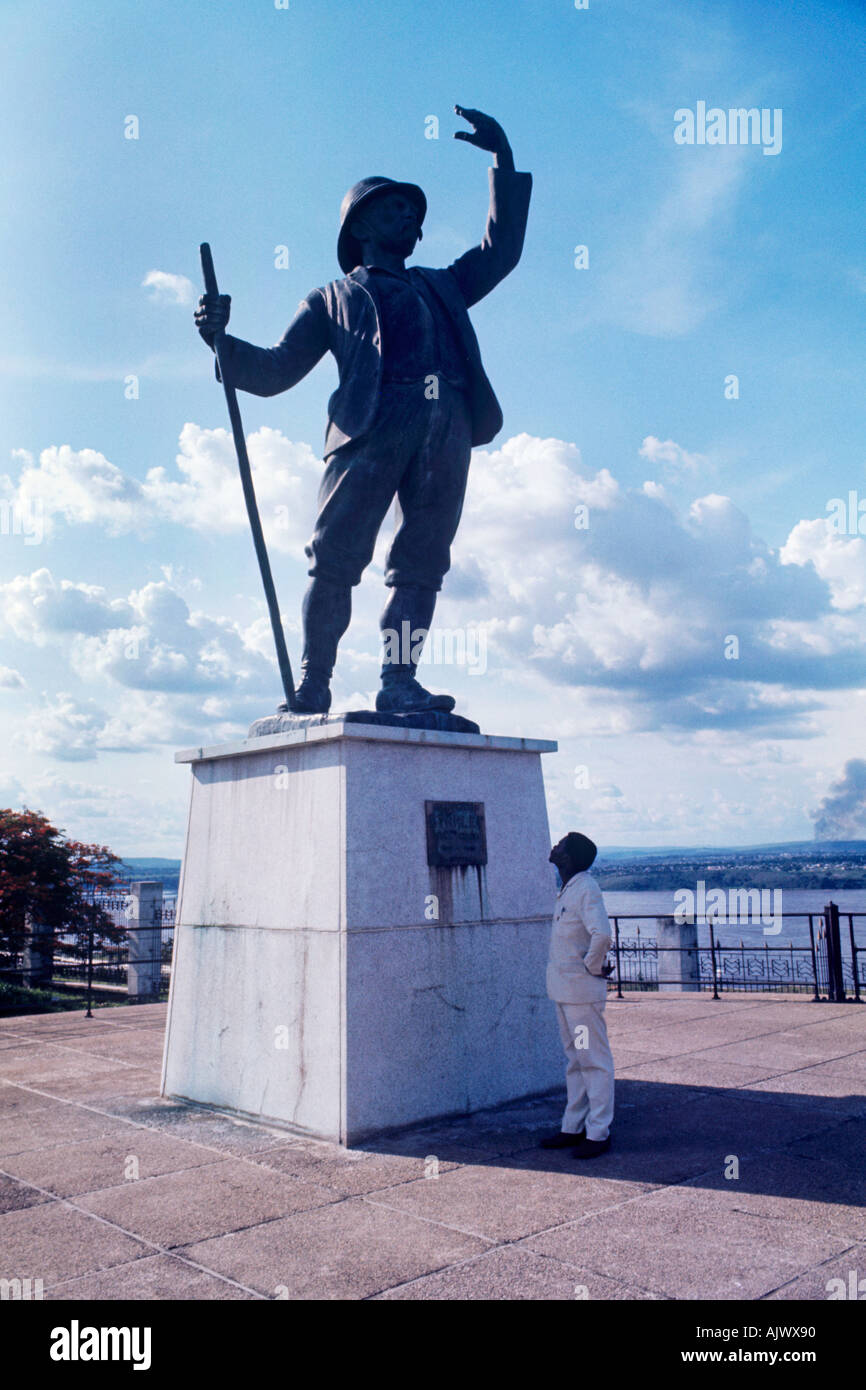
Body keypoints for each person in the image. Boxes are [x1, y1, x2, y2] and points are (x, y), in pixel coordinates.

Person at [195, 106, 531, 716]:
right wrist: (220, 341)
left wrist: (502, 159)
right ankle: (313, 681)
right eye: (393, 208)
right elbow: (273, 371)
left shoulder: (445, 284)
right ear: (360, 225)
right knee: (336, 556)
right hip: (370, 425)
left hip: (445, 424)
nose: (409, 216)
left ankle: (399, 683)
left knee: (422, 562)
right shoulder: (332, 298)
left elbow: (501, 250)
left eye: (414, 212)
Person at [540, 832, 615, 1158]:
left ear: (568, 858)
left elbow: (602, 935)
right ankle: (573, 1127)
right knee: (575, 1062)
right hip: (565, 991)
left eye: (560, 845)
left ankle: (598, 1133)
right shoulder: (570, 888)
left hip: (581, 993)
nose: (554, 847)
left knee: (593, 1062)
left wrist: (593, 967)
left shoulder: (586, 888)